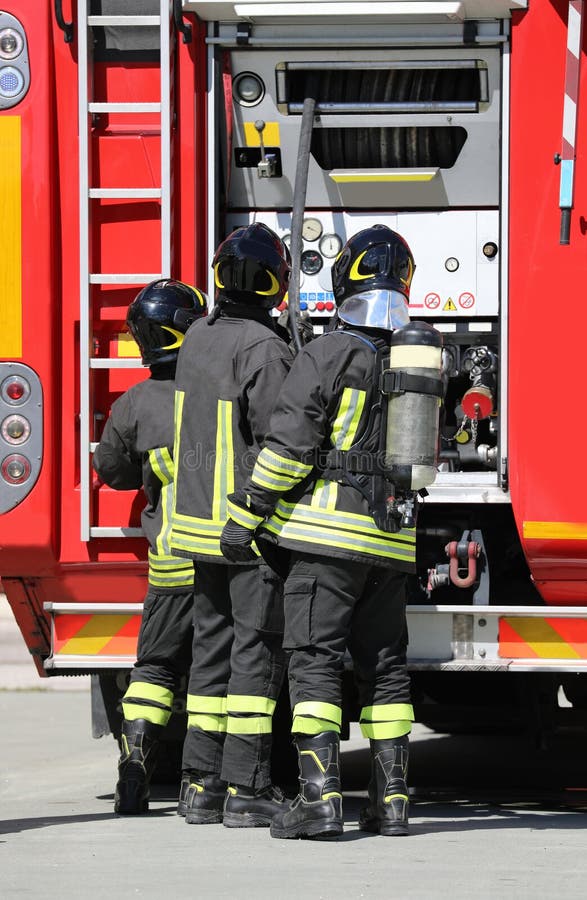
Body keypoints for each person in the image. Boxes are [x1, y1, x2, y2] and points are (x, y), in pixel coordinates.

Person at [220, 225, 421, 839]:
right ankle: (392, 805)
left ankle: (319, 802)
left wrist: (246, 514)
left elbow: (291, 446)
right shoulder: (417, 356)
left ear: (344, 283)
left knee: (314, 664)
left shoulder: (328, 352)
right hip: (392, 543)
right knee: (386, 670)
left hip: (326, 537)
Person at [169, 222, 294, 827]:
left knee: (210, 652)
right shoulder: (265, 350)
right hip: (245, 529)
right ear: (278, 284)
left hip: (195, 526)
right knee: (254, 653)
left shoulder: (197, 335)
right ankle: (246, 788)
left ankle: (199, 784)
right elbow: (282, 436)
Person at [93, 279, 208, 815]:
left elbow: (111, 471)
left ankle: (133, 770)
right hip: (222, 567)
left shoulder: (134, 403)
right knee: (217, 675)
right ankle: (205, 785)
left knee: (154, 669)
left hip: (167, 570)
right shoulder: (220, 394)